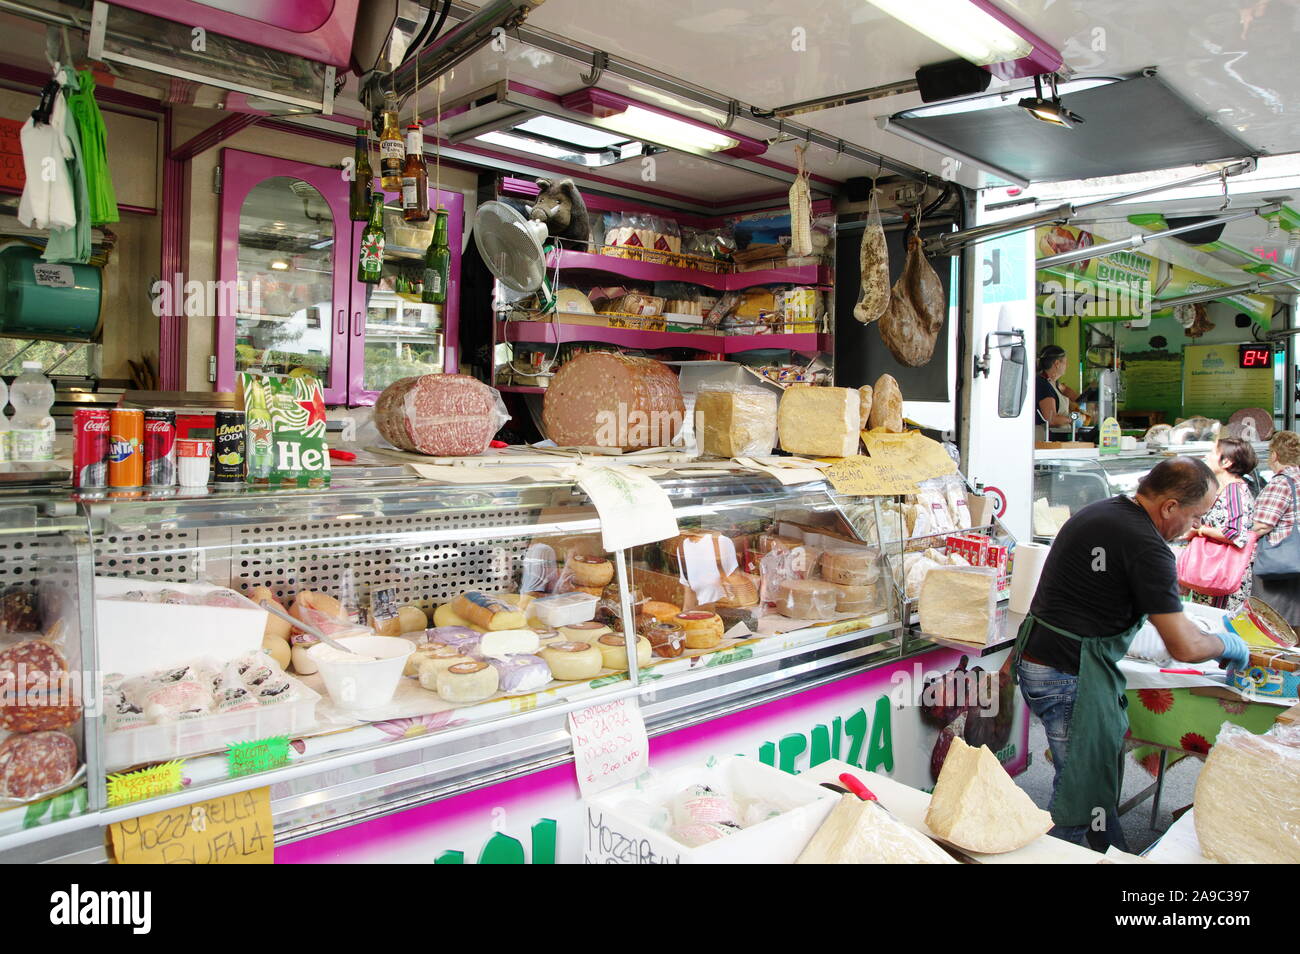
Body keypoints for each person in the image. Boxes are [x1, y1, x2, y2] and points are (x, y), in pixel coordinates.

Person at [1013, 456, 1250, 851]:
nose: (1194, 529)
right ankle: (1054, 854)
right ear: (1169, 506)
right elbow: (1185, 646)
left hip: (1044, 658)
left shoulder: (1103, 511)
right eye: (1195, 517)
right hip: (1068, 674)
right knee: (1080, 791)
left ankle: (1113, 851)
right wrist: (1227, 645)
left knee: (1092, 776)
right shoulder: (1146, 546)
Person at [1186, 437, 1257, 613]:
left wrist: (1201, 531)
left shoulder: (1234, 490)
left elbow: (1235, 533)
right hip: (1214, 573)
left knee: (1217, 625)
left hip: (1223, 574)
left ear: (1226, 462)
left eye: (1213, 453)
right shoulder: (1226, 489)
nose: (1207, 457)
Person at [1251, 430, 1300, 627]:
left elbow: (1262, 525)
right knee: (1294, 621)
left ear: (1274, 456)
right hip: (1295, 561)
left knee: (1272, 622)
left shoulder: (1282, 482)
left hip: (1279, 565)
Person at [1035, 345, 1082, 442]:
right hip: (1046, 439)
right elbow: (1051, 419)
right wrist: (1072, 419)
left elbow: (1073, 396)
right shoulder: (1043, 385)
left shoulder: (1054, 383)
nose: (1067, 366)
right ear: (1057, 364)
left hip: (1058, 438)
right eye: (1065, 362)